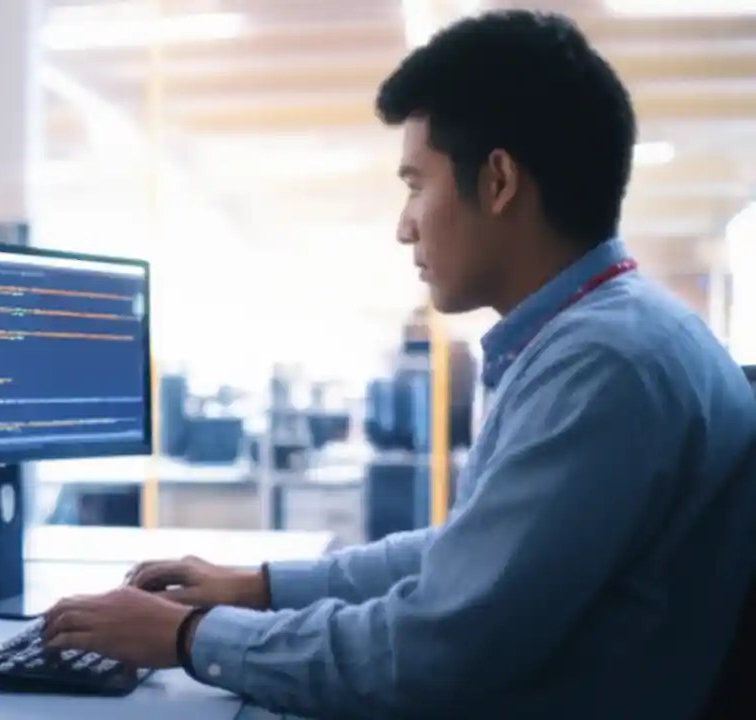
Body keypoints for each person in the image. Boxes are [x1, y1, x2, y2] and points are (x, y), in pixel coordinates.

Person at [40, 10, 756, 718]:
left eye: (416, 184)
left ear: (498, 181)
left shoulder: (602, 366)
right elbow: (467, 557)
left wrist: (190, 636)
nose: (403, 224)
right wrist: (257, 587)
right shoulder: (610, 335)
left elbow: (430, 652)